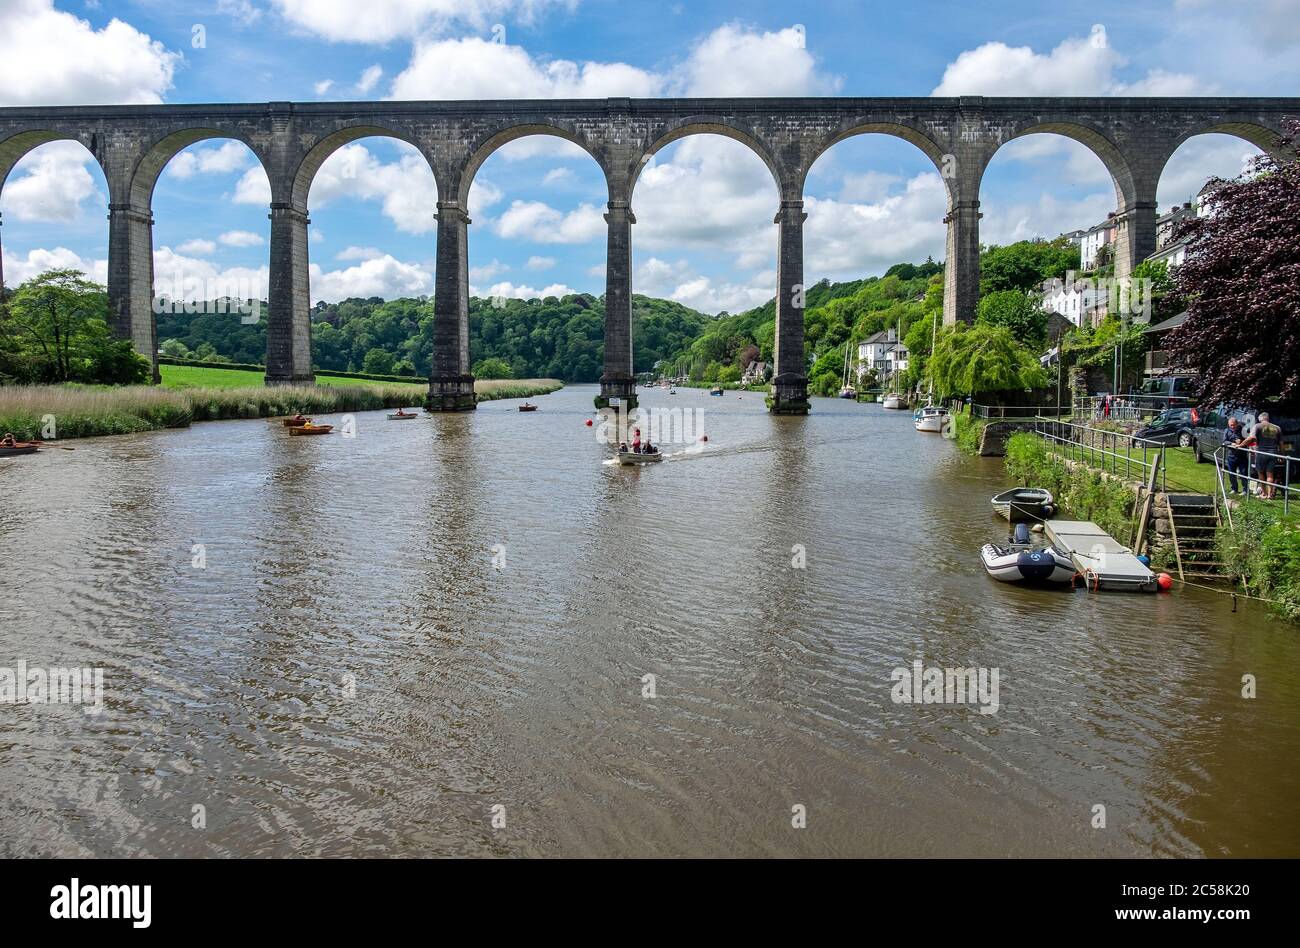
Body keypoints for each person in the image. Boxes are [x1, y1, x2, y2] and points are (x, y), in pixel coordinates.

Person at [1252, 412, 1282, 500]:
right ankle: (1270, 495)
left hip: (1261, 453)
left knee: (1261, 473)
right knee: (1270, 474)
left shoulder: (1257, 426)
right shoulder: (1277, 428)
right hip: (1273, 453)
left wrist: (1241, 445)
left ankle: (1264, 494)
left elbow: (1252, 438)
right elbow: (1281, 443)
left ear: (1260, 419)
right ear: (1268, 418)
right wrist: (1282, 455)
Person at [1222, 417, 1249, 495]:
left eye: (1234, 425)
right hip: (1231, 455)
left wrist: (1241, 442)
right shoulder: (1227, 430)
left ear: (1237, 424)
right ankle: (1234, 489)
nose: (1232, 427)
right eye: (1231, 425)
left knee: (1243, 473)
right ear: (1228, 424)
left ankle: (1245, 490)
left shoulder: (1243, 430)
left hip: (1242, 455)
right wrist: (1232, 443)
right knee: (1231, 473)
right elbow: (1224, 441)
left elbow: (1249, 440)